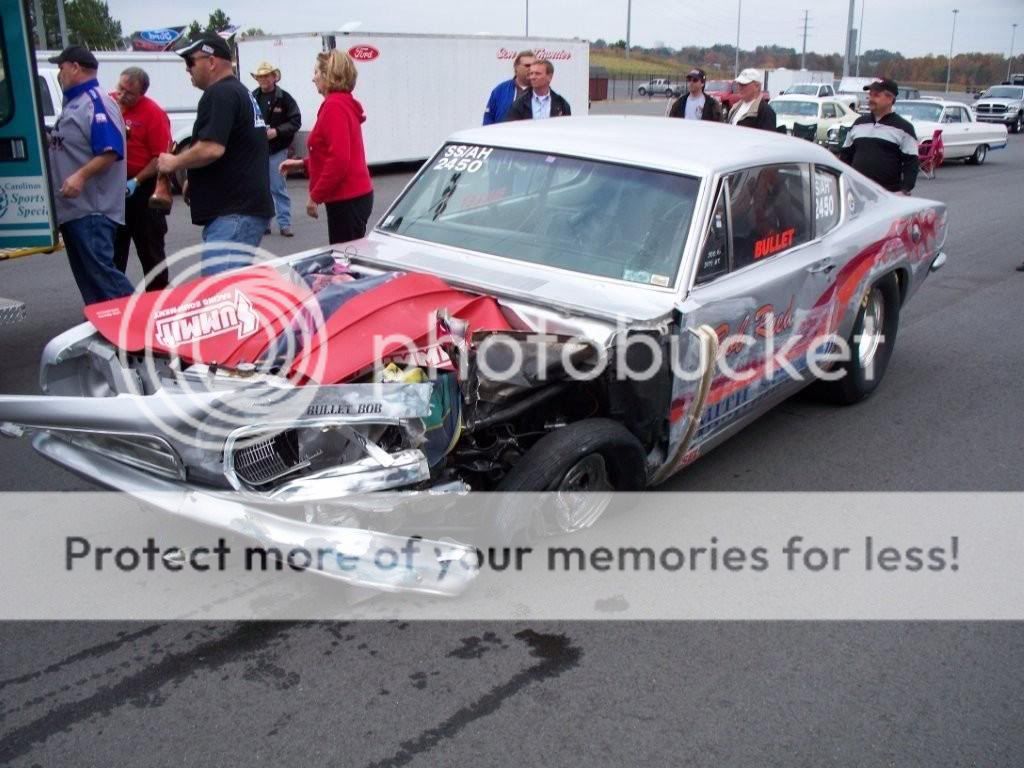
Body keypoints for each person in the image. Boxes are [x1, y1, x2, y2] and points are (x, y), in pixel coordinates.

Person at [157, 37, 274, 275]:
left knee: (217, 294)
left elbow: (212, 148)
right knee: (228, 294)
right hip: (241, 211)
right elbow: (235, 147)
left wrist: (174, 162)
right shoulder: (237, 92)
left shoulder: (220, 93)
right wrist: (196, 177)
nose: (187, 69)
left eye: (190, 62)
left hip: (234, 214)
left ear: (211, 61)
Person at [46, 45, 135, 305]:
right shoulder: (74, 103)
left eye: (61, 67)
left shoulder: (95, 102)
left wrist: (80, 176)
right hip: (75, 210)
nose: (59, 74)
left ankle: (145, 326)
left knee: (104, 279)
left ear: (75, 67)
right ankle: (115, 337)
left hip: (92, 211)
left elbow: (110, 150)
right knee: (93, 287)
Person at [278, 50, 373, 245]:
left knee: (343, 265)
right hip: (354, 197)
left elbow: (339, 160)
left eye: (316, 73)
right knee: (345, 261)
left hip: (348, 199)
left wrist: (315, 196)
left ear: (328, 75)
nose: (313, 79)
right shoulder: (342, 103)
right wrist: (301, 164)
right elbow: (329, 153)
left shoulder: (334, 106)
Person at [111, 66, 172, 290]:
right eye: (121, 88)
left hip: (143, 189)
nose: (123, 95)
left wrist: (136, 181)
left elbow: (161, 158)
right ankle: (112, 302)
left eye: (130, 93)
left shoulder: (153, 114)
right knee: (113, 252)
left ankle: (158, 302)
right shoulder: (109, 104)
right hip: (113, 189)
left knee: (151, 251)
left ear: (142, 94)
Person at [839, 77, 919, 196]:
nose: (871, 99)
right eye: (870, 95)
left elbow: (911, 163)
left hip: (888, 195)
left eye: (876, 95)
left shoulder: (904, 128)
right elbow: (845, 157)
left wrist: (904, 190)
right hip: (857, 192)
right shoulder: (858, 123)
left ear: (890, 99)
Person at [251, 61, 301, 237]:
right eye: (260, 76)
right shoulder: (252, 97)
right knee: (261, 188)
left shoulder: (285, 98)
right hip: (257, 151)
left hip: (277, 149)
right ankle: (265, 223)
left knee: (278, 187)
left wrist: (277, 132)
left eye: (266, 76)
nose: (263, 79)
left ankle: (285, 223)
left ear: (274, 77)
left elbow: (295, 121)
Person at [503, 60, 572, 121]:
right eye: (531, 73)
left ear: (550, 77)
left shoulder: (562, 104)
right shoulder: (519, 104)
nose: (532, 77)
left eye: (537, 74)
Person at [482, 50, 534, 125]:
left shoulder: (542, 92)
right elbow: (488, 118)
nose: (531, 68)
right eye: (527, 65)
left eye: (534, 65)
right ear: (516, 67)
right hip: (502, 135)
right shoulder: (500, 90)